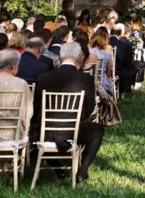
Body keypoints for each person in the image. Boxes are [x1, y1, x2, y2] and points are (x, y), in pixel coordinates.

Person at [30, 41, 105, 184]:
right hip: (74, 131)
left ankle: (58, 169)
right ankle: (83, 170)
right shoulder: (85, 78)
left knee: (34, 131)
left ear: (60, 57)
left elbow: (37, 106)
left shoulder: (44, 77)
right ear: (78, 57)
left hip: (46, 131)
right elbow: (90, 108)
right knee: (98, 130)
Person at [87, 29, 115, 95]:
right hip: (103, 84)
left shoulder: (87, 52)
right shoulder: (107, 54)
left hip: (87, 83)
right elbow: (108, 74)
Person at [109, 25, 135, 95]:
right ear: (120, 34)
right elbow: (126, 62)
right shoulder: (123, 45)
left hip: (104, 70)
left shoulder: (105, 43)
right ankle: (125, 90)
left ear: (111, 33)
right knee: (132, 68)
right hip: (117, 71)